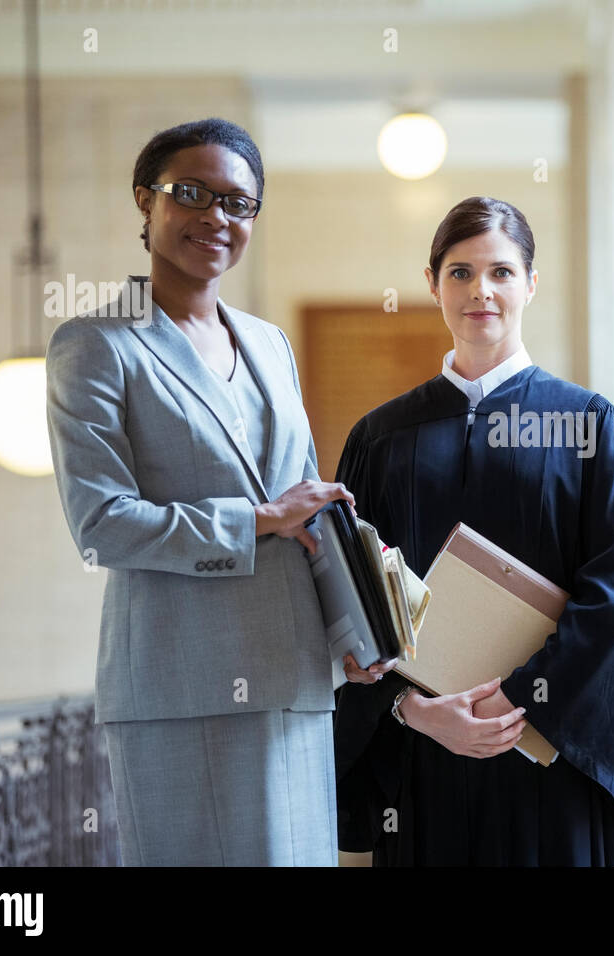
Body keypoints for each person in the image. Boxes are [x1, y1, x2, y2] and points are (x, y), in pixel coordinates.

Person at [45, 118, 381, 866]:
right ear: (145, 200)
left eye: (238, 203)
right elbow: (102, 523)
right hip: (179, 682)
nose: (215, 218)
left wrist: (354, 632)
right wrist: (257, 519)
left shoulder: (269, 344)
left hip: (294, 679)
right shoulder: (95, 345)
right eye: (191, 193)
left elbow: (306, 512)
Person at [333, 196, 614, 866]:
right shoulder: (381, 438)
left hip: (549, 755)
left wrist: (520, 694)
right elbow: (349, 597)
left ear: (530, 284)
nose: (480, 290)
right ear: (432, 284)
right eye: (460, 272)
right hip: (422, 762)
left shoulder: (587, 426)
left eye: (501, 272)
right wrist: (412, 710)